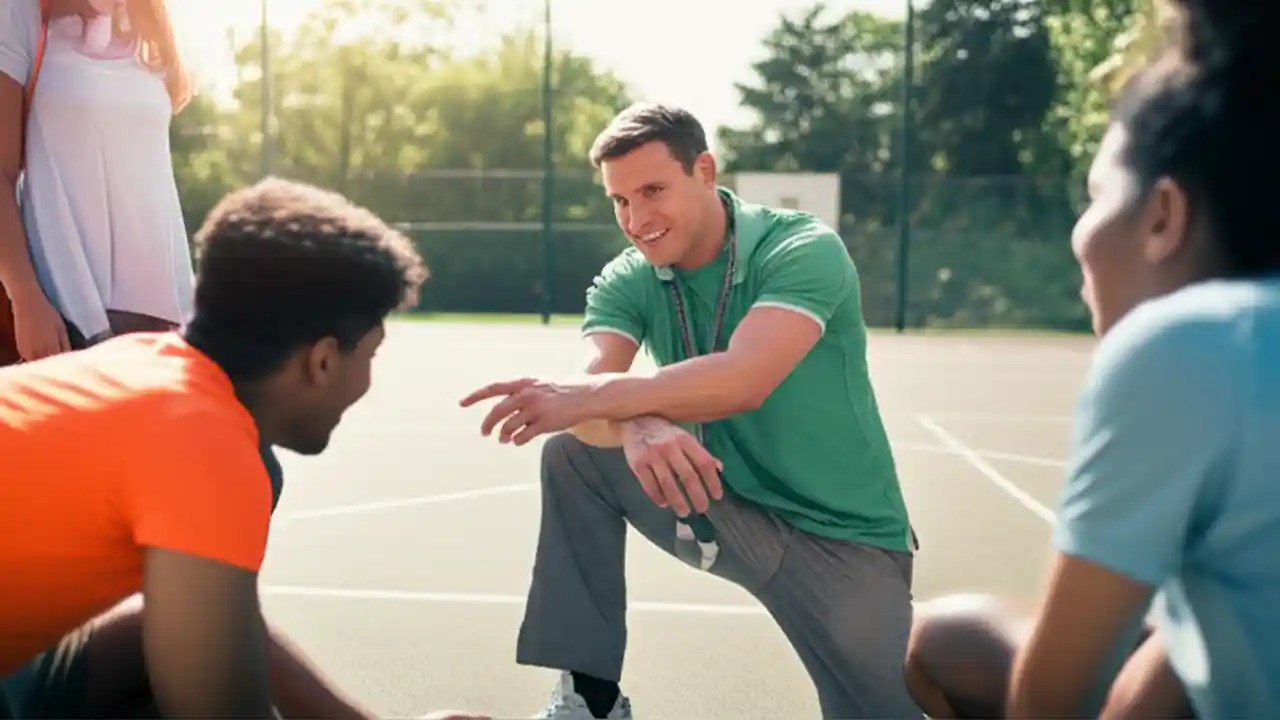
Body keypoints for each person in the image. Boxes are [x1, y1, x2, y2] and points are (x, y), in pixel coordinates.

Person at [461, 103, 922, 719]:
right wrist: (641, 424)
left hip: (842, 544)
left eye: (653, 190)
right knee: (575, 454)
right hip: (720, 502)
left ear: (704, 171)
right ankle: (591, 700)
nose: (637, 219)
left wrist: (605, 404)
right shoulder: (632, 278)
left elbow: (744, 379)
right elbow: (591, 386)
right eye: (620, 200)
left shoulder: (800, 249)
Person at [911, 1, 1280, 717]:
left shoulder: (1185, 350)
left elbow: (1047, 703)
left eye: (1096, 194)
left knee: (935, 636)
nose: (1081, 238)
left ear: (1163, 215)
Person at [0, 178, 437, 719]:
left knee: (171, 639)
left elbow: (223, 626)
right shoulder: (209, 449)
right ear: (322, 361)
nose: (369, 378)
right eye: (370, 354)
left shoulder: (145, 361)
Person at [1, 0, 197, 360]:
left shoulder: (149, 17)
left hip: (164, 325)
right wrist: (25, 298)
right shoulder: (20, 12)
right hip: (69, 316)